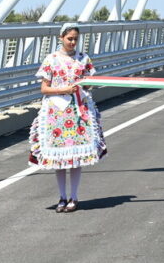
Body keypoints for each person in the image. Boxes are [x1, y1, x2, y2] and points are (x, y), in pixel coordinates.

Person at [29, 23, 107, 213]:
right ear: (61, 38)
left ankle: (74, 197)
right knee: (60, 159)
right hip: (57, 112)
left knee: (75, 157)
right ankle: (62, 197)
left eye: (75, 39)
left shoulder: (84, 59)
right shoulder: (51, 60)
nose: (72, 42)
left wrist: (87, 84)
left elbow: (89, 85)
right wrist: (65, 89)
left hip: (78, 111)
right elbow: (44, 89)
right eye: (69, 38)